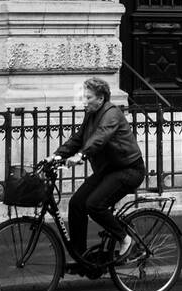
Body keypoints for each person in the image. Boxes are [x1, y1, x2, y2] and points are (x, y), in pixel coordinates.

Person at [47, 77, 146, 271]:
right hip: (108, 170)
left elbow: (100, 137)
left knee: (94, 204)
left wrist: (81, 156)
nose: (84, 101)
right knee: (77, 203)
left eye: (88, 97)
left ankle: (126, 240)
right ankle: (81, 257)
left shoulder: (112, 113)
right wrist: (55, 156)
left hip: (128, 170)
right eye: (83, 97)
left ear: (101, 98)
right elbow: (78, 138)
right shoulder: (91, 114)